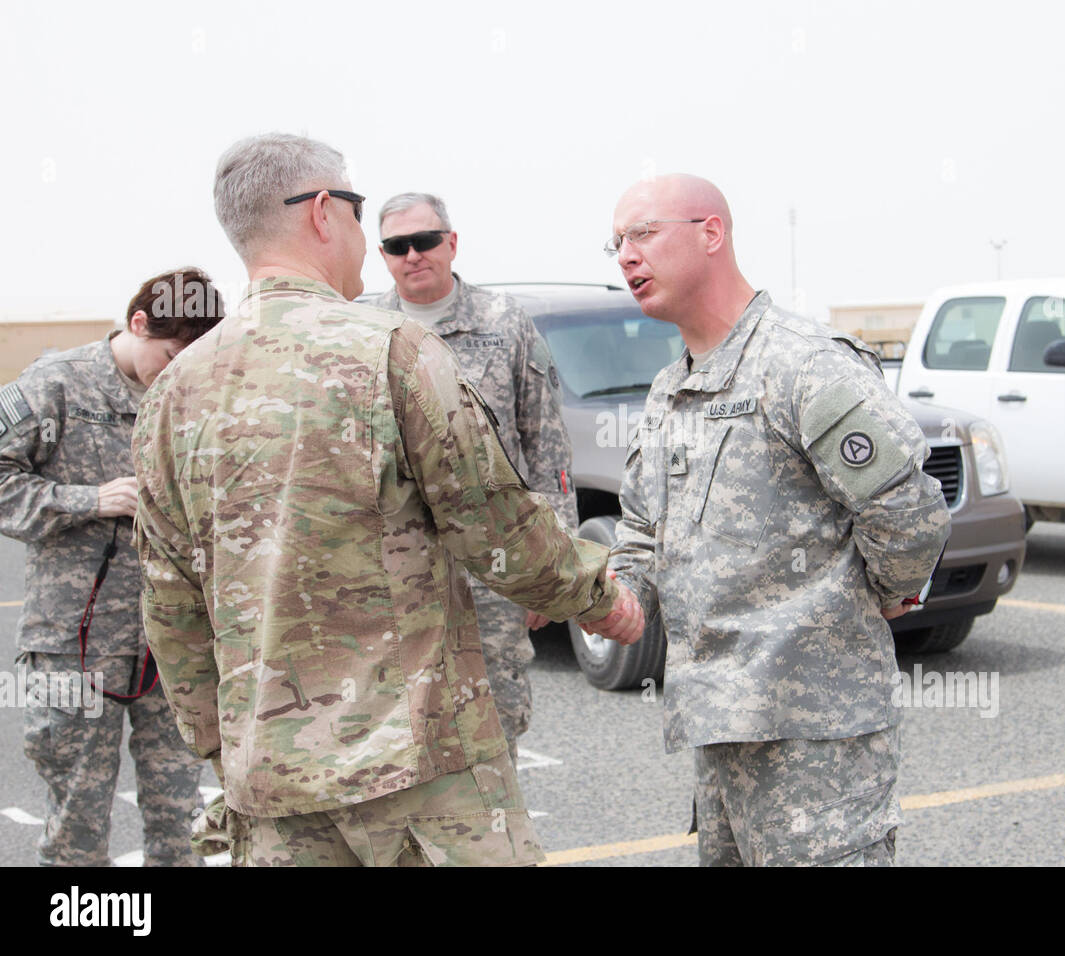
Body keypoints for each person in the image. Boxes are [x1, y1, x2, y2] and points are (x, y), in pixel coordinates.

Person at [131, 133, 642, 867]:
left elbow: (170, 605)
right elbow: (492, 523)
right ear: (320, 213)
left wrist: (221, 746)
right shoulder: (391, 350)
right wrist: (600, 598)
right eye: (357, 209)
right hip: (421, 776)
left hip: (272, 782)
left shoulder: (172, 395)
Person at [605, 174, 951, 866]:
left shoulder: (803, 364)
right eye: (615, 243)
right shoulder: (670, 391)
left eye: (642, 234)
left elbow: (907, 512)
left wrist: (877, 597)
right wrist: (614, 598)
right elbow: (643, 531)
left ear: (711, 233)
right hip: (718, 728)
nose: (625, 257)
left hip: (816, 731)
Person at [0, 267, 222, 866]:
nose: (178, 372)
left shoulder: (194, 393)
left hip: (174, 642)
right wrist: (86, 501)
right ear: (139, 323)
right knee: (77, 820)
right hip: (75, 643)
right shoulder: (57, 384)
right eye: (171, 354)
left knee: (185, 820)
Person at [375, 193, 576, 767]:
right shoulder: (367, 329)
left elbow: (545, 443)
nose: (413, 255)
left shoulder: (504, 322)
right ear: (384, 256)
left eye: (426, 241)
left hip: (496, 558)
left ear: (452, 242)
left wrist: (551, 564)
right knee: (406, 717)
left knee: (497, 710)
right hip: (399, 563)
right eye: (397, 246)